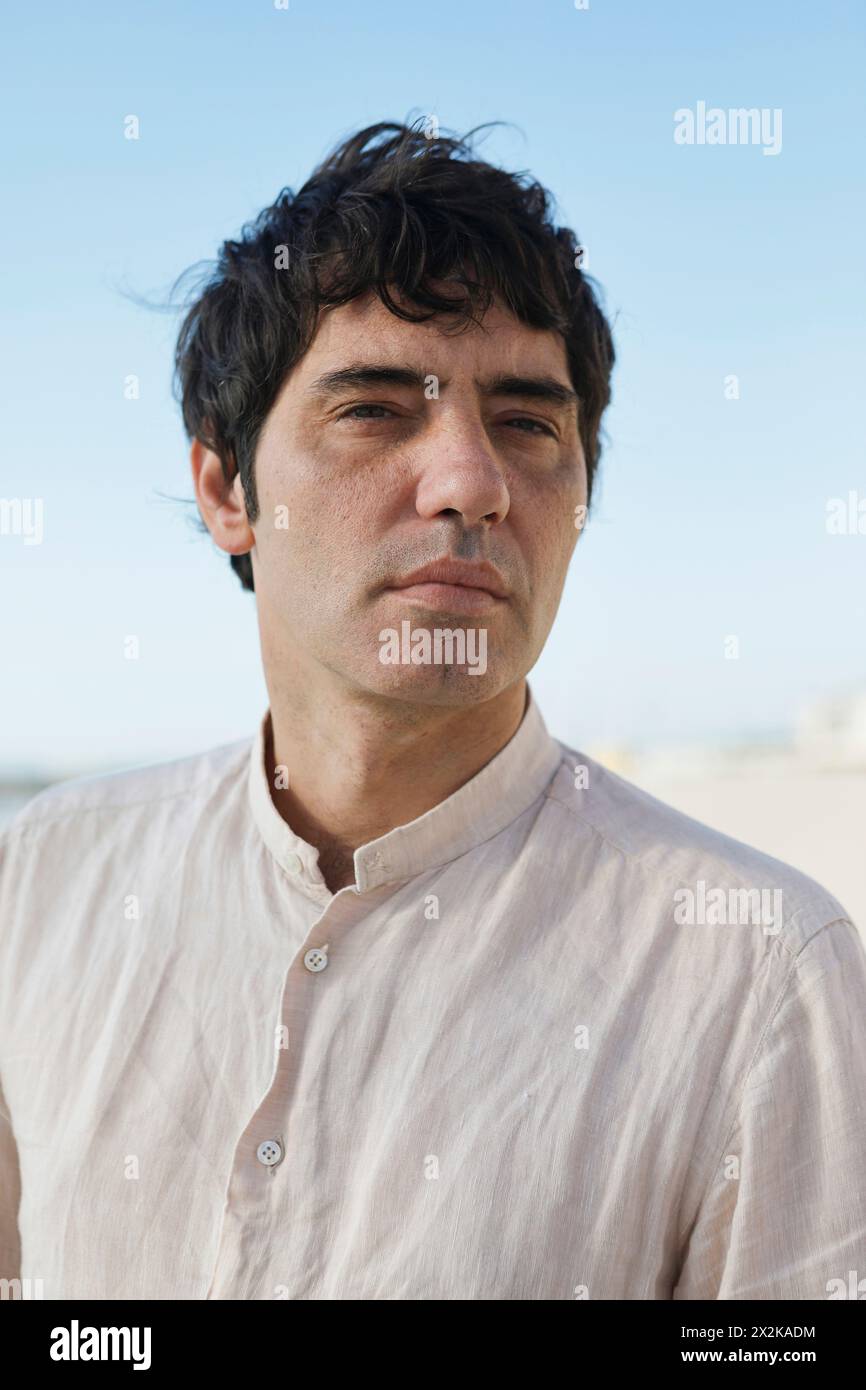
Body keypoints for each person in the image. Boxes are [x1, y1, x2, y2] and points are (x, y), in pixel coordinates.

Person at [1, 121, 864, 1301]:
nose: (470, 482)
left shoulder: (762, 975)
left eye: (526, 422)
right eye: (372, 410)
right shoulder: (42, 880)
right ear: (225, 489)